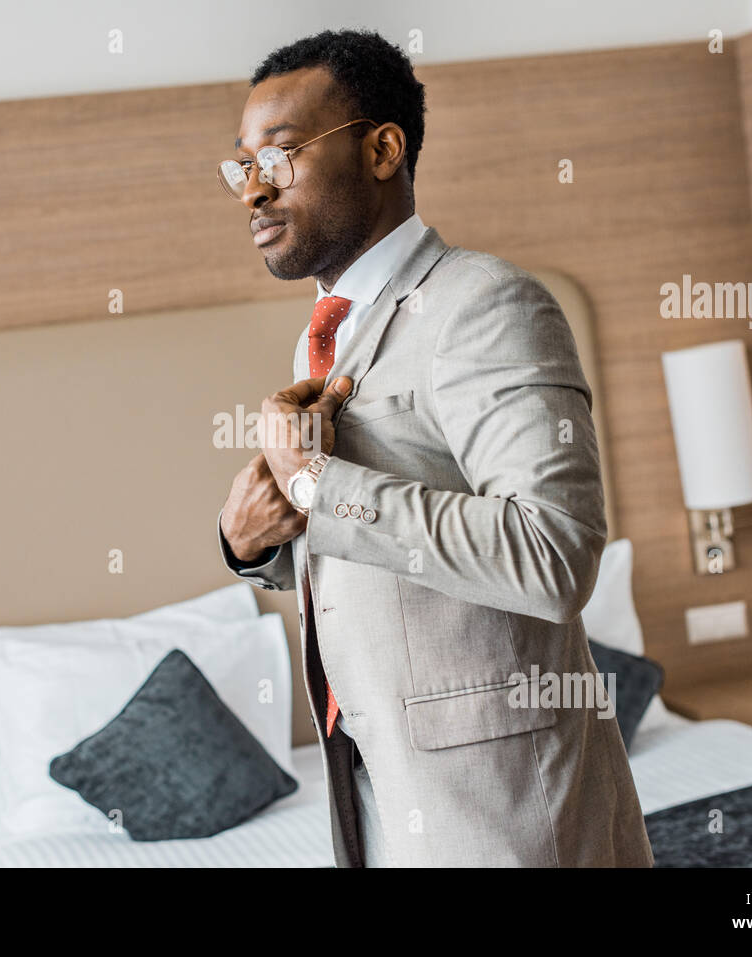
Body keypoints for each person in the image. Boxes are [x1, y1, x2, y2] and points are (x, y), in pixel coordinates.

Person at [216, 28, 653, 867]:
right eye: (242, 167)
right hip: (374, 801)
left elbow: (555, 556)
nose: (252, 193)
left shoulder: (486, 305)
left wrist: (314, 484)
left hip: (505, 814)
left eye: (278, 158)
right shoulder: (324, 341)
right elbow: (359, 558)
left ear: (383, 149)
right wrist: (252, 541)